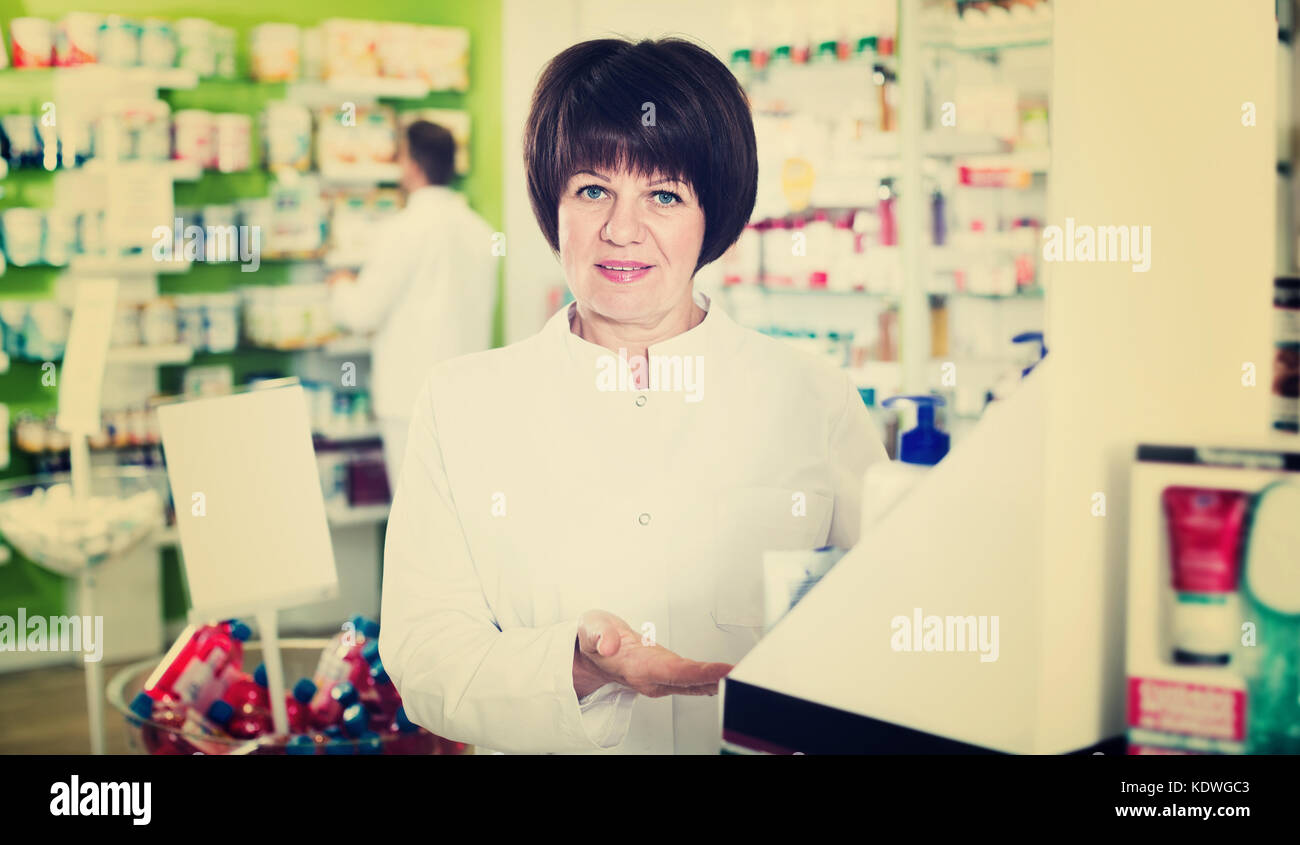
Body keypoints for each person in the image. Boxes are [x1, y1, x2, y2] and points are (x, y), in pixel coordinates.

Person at [379, 37, 888, 754]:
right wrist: (576, 667)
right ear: (551, 202)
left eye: (664, 194)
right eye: (592, 190)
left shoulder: (812, 398)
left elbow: (887, 613)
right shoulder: (461, 404)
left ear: (715, 213)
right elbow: (424, 652)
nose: (622, 230)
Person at [328, 120, 497, 489]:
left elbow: (361, 313)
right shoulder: (481, 233)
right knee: (457, 514)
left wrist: (341, 286)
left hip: (410, 400)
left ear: (411, 164)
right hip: (467, 396)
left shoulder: (402, 230)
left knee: (414, 519)